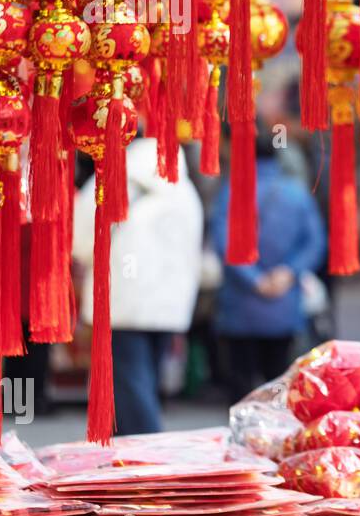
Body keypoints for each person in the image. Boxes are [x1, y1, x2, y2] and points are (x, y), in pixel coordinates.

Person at [72, 137, 203, 435]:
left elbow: (82, 237)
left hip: (123, 302)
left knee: (129, 388)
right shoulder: (184, 191)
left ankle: (147, 458)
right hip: (170, 304)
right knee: (143, 384)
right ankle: (124, 456)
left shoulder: (114, 180)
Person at [211, 129, 326, 403]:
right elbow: (315, 241)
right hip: (284, 305)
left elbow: (224, 244)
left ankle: (240, 440)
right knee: (279, 382)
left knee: (241, 387)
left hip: (241, 305)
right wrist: (289, 272)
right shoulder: (297, 193)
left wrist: (254, 280)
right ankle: (275, 440)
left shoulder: (232, 192)